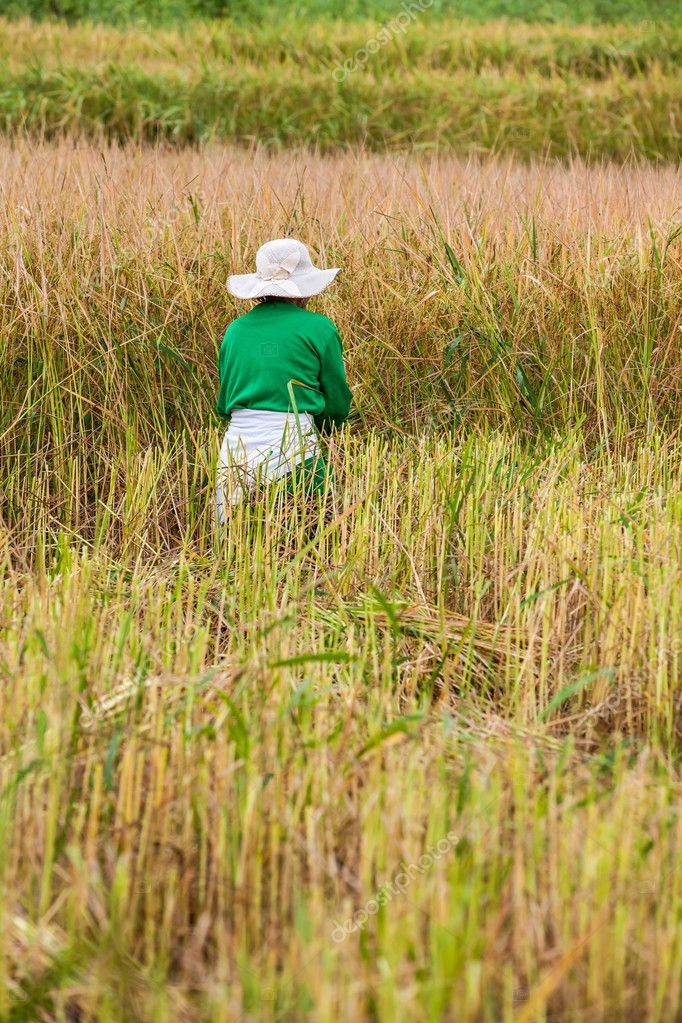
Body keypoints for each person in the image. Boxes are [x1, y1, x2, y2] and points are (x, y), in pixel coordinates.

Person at [215, 238, 352, 524]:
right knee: (314, 543)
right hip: (297, 451)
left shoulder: (234, 331)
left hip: (236, 453)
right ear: (305, 288)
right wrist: (329, 426)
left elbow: (224, 404)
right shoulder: (319, 328)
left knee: (233, 548)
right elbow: (338, 404)